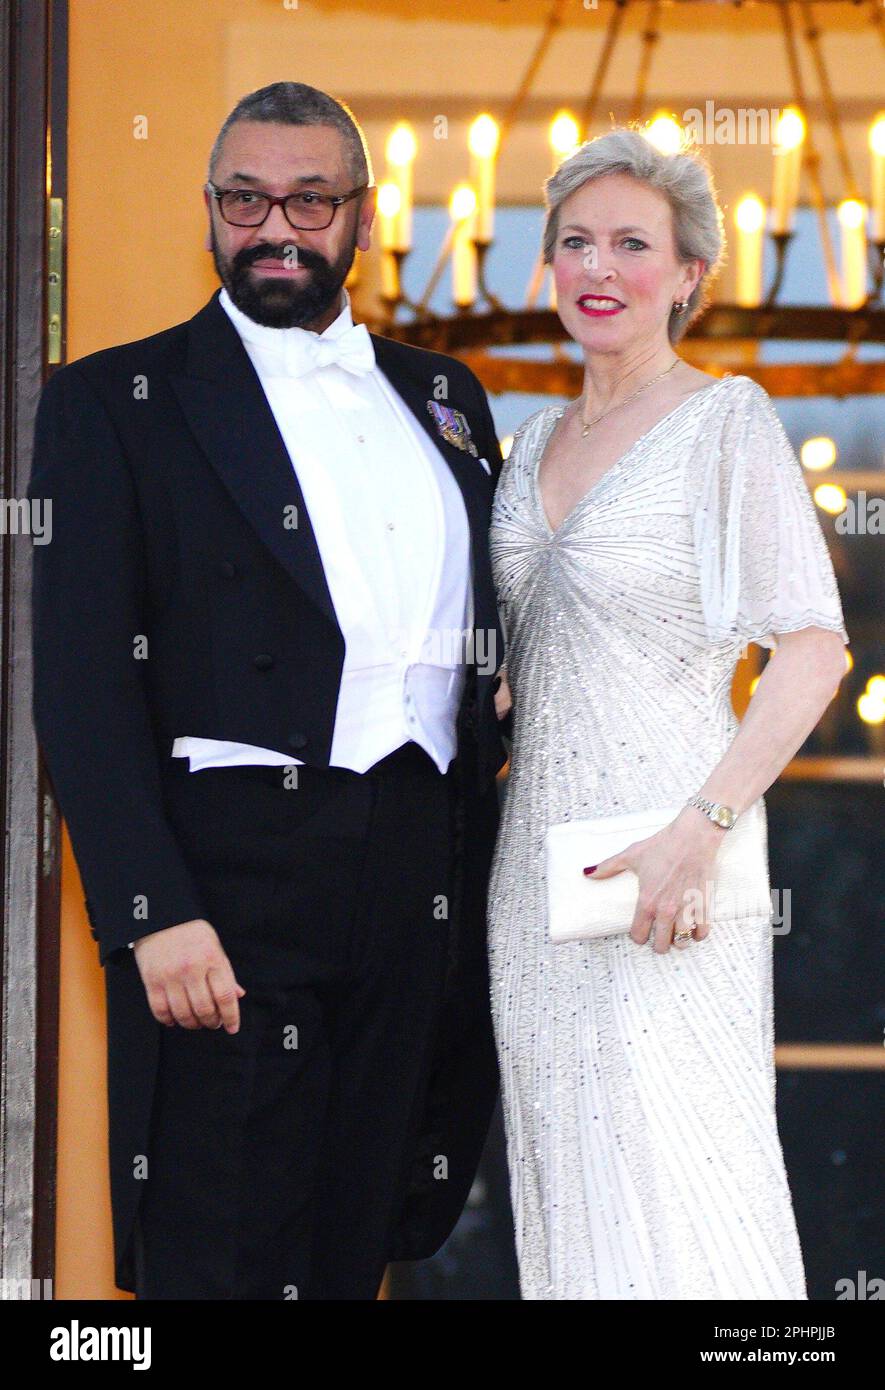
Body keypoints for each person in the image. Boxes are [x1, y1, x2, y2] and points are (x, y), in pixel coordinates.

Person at [28, 81, 508, 1300]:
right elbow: (83, 686)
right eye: (245, 198)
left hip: (411, 880)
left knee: (353, 1250)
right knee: (219, 1250)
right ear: (210, 211)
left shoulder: (448, 398)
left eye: (308, 198)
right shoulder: (111, 403)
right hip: (229, 882)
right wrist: (149, 909)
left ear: (361, 214)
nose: (274, 227)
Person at [487, 128, 848, 1299]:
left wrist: (701, 828)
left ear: (690, 274)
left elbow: (814, 649)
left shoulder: (726, 421)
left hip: (677, 870)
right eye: (576, 242)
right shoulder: (528, 443)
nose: (600, 266)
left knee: (692, 1179)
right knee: (570, 1190)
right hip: (533, 876)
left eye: (634, 244)